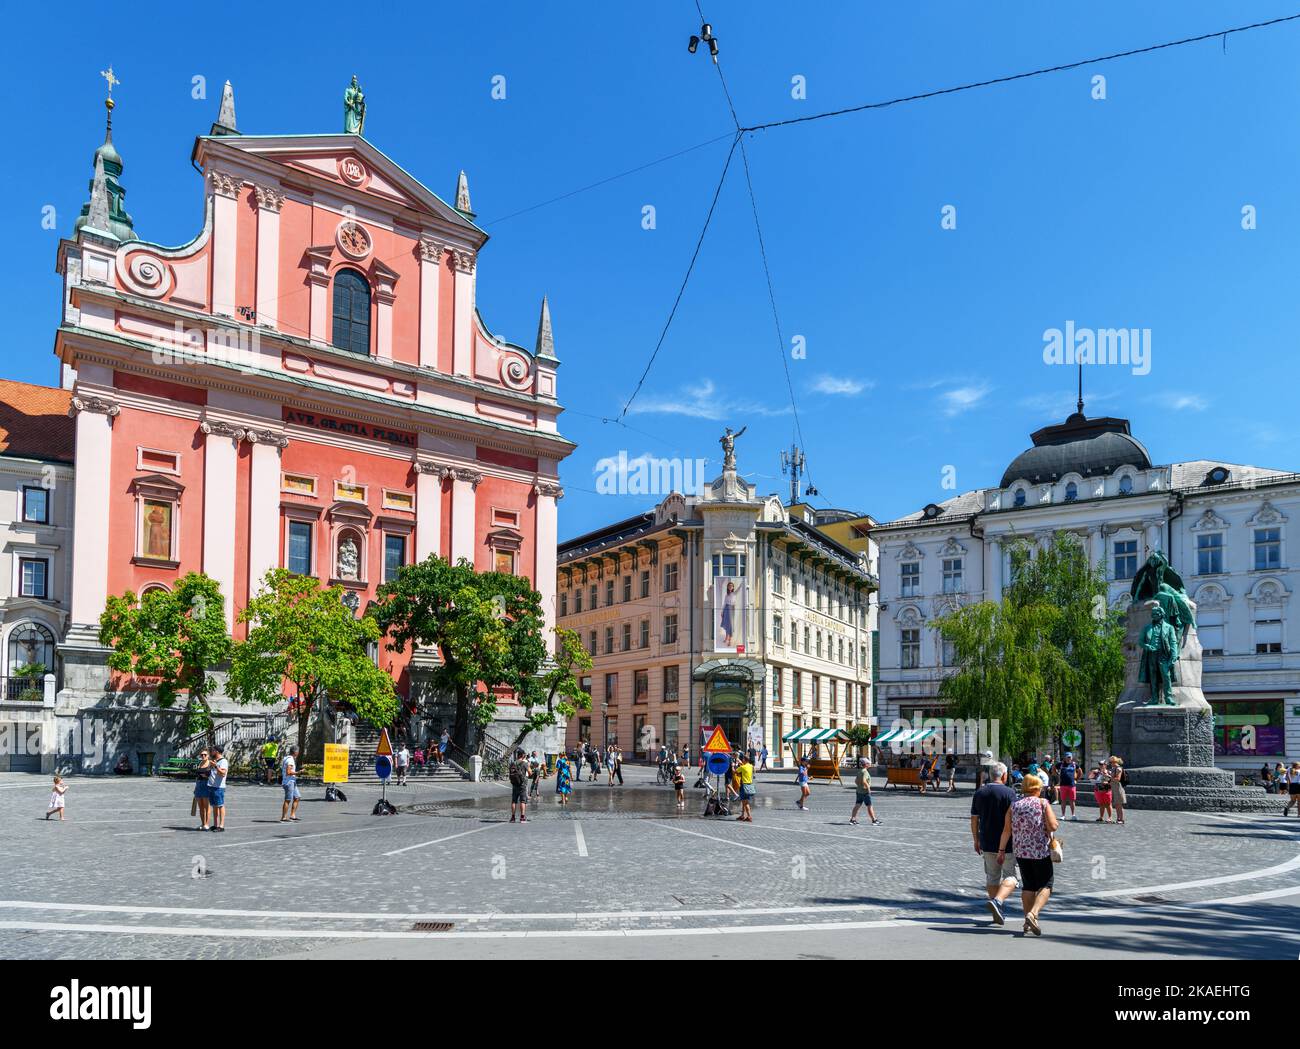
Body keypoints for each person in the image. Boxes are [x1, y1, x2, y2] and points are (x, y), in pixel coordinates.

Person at [997, 773, 1059, 936]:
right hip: (1039, 851)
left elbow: (1006, 830)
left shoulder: (1014, 805)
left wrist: (1001, 851)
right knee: (1047, 884)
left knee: (1029, 885)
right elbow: (1053, 826)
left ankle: (1027, 921)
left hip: (1021, 851)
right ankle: (1033, 913)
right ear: (1037, 788)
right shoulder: (1042, 803)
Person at [970, 761, 1018, 925]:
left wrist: (976, 840)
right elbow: (1013, 820)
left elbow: (974, 819)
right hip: (1006, 843)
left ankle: (996, 908)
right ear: (1004, 775)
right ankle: (998, 901)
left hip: (987, 841)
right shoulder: (1009, 793)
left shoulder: (980, 792)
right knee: (1011, 876)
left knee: (992, 877)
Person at [850, 759, 882, 826]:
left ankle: (853, 819)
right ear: (866, 764)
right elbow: (864, 781)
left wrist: (860, 786)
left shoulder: (860, 771)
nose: (870, 764)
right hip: (865, 792)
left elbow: (856, 781)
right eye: (869, 763)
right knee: (869, 806)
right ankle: (874, 820)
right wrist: (868, 788)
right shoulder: (865, 772)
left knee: (857, 805)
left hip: (859, 791)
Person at [208, 744, 230, 832]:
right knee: (214, 806)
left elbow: (223, 773)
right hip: (211, 786)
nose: (211, 752)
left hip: (219, 787)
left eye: (213, 750)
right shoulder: (214, 760)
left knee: (220, 805)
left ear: (216, 751)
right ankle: (215, 825)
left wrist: (216, 766)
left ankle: (221, 826)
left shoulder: (223, 761)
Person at [280, 745, 302, 823]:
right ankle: (283, 817)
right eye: (298, 752)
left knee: (297, 797)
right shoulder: (290, 760)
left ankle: (292, 815)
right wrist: (298, 773)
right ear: (295, 752)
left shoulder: (287, 758)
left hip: (292, 781)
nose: (298, 753)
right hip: (289, 782)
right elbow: (288, 772)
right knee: (288, 800)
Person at [509, 748, 530, 823]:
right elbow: (530, 773)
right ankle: (522, 818)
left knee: (514, 801)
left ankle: (513, 818)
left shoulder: (513, 763)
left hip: (514, 784)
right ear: (523, 755)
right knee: (523, 801)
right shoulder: (524, 763)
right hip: (522, 784)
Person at [193, 748, 212, 831]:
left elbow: (213, 776)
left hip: (206, 785)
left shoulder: (210, 763)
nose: (203, 756)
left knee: (206, 806)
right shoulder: (200, 763)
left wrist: (207, 776)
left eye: (205, 755)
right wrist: (195, 787)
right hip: (199, 785)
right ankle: (203, 823)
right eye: (202, 755)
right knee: (201, 807)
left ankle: (207, 824)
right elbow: (197, 777)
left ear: (208, 756)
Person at [1057, 752, 1079, 821]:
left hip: (1072, 785)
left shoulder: (1074, 764)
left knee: (1072, 801)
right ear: (1065, 757)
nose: (1068, 758)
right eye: (1067, 757)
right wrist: (1057, 775)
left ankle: (1073, 815)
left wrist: (1076, 779)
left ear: (1071, 758)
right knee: (1063, 800)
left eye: (1069, 757)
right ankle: (1063, 815)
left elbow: (1080, 772)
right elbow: (1053, 769)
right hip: (1063, 785)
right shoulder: (1060, 764)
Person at [1107, 756, 1128, 825]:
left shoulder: (1118, 768)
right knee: (1116, 804)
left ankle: (1121, 819)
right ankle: (1118, 818)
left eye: (1110, 762)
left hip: (1118, 787)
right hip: (1114, 787)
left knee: (1119, 804)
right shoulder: (1114, 768)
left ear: (1114, 762)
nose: (1110, 764)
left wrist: (1109, 777)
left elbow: (1118, 779)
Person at [736, 752, 755, 822]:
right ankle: (742, 815)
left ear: (744, 760)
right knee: (744, 801)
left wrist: (733, 766)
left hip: (744, 786)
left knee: (745, 802)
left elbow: (736, 771)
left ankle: (749, 816)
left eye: (743, 759)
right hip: (750, 785)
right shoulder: (751, 766)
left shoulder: (742, 767)